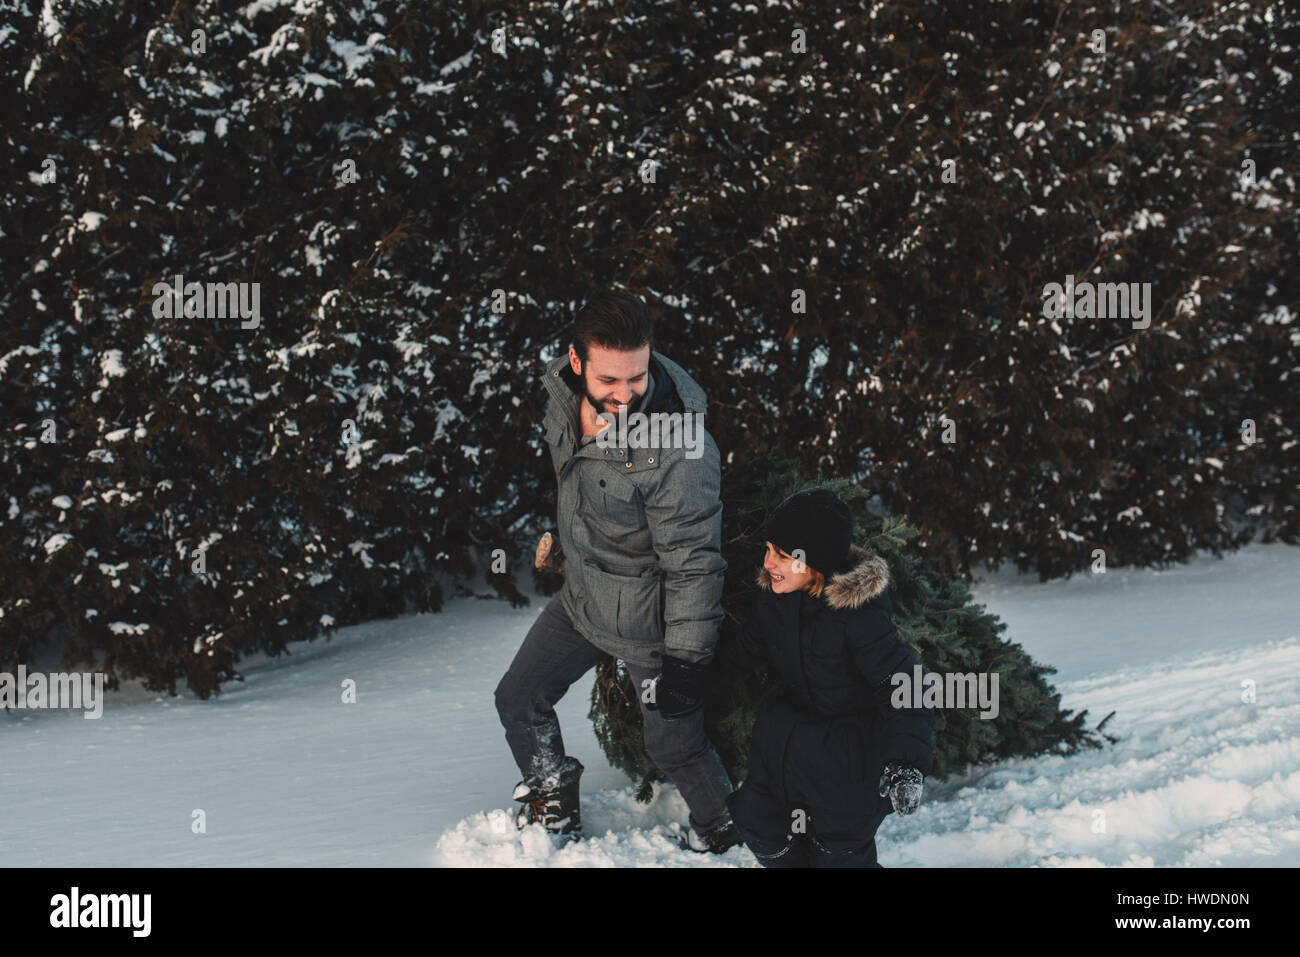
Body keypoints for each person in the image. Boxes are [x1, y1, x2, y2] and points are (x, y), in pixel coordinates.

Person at [494, 290, 741, 853]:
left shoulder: (682, 448)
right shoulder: (560, 393)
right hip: (584, 598)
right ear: (577, 362)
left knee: (673, 744)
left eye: (636, 377)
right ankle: (552, 794)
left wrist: (686, 661)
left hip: (649, 624)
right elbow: (580, 479)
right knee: (517, 699)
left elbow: (693, 564)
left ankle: (722, 824)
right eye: (609, 381)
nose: (626, 395)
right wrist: (568, 538)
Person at [723, 489, 934, 867]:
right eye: (769, 549)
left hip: (844, 765)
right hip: (783, 751)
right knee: (758, 821)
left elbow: (903, 686)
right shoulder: (776, 601)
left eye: (783, 555)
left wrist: (906, 762)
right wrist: (689, 674)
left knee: (839, 854)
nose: (768, 561)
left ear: (814, 560)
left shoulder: (858, 617)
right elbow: (739, 653)